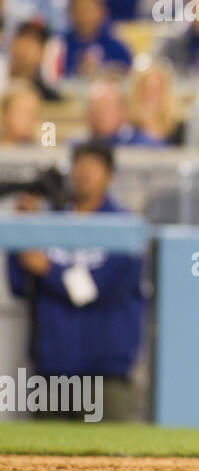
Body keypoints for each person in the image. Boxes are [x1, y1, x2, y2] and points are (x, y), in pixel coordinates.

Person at [7, 140, 145, 421]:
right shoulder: (47, 220)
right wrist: (23, 230)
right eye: (80, 164)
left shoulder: (124, 226)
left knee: (115, 459)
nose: (84, 172)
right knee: (43, 462)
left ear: (109, 176)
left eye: (94, 166)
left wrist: (47, 269)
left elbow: (94, 290)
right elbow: (20, 285)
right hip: (52, 368)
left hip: (105, 371)